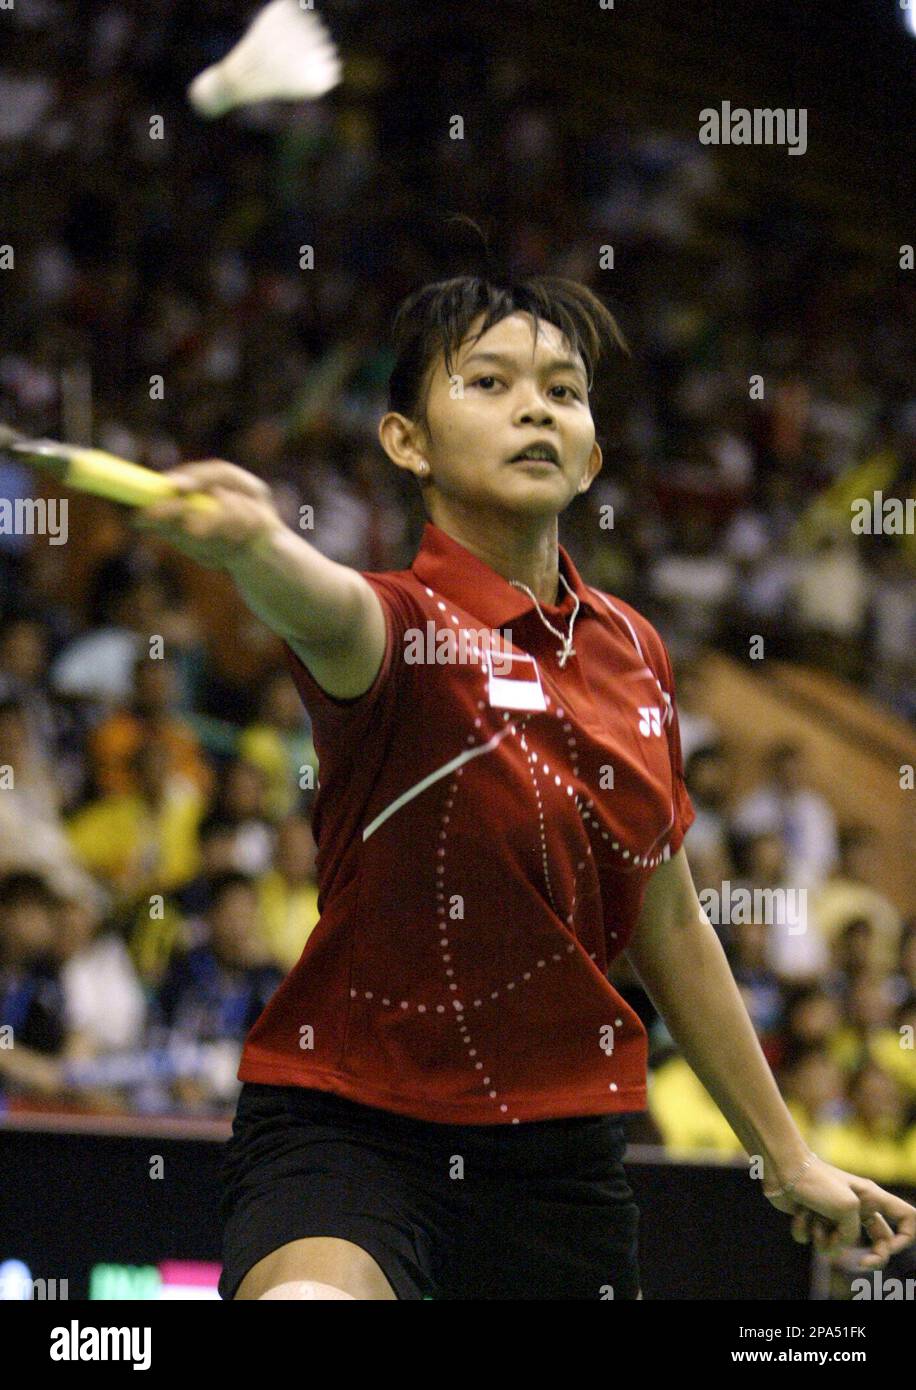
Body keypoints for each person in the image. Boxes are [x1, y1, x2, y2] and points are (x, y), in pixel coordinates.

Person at [132, 272, 915, 1300]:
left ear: (591, 458)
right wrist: (259, 545)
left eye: (562, 391)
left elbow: (670, 923)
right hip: (355, 1127)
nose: (535, 408)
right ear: (406, 442)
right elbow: (325, 608)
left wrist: (787, 1154)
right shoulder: (402, 627)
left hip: (557, 1164)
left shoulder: (633, 651)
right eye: (490, 382)